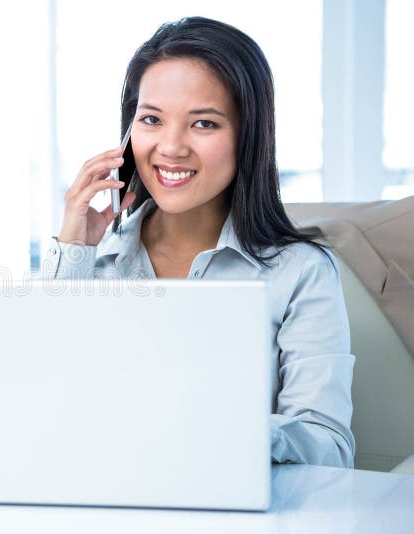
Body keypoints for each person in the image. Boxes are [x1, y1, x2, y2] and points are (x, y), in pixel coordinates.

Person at [42, 16, 355, 468]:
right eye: (151, 119)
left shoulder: (301, 273)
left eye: (203, 124)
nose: (170, 147)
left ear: (248, 136)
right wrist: (73, 250)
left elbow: (330, 448)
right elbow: (41, 409)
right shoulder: (95, 262)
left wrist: (219, 428)